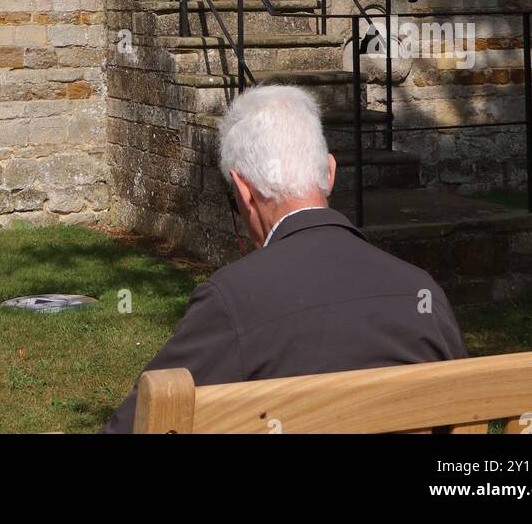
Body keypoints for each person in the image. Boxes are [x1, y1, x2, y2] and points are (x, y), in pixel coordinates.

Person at [101, 83, 466, 433]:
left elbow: (134, 426)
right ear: (329, 172)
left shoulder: (231, 302)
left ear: (244, 192)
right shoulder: (422, 293)